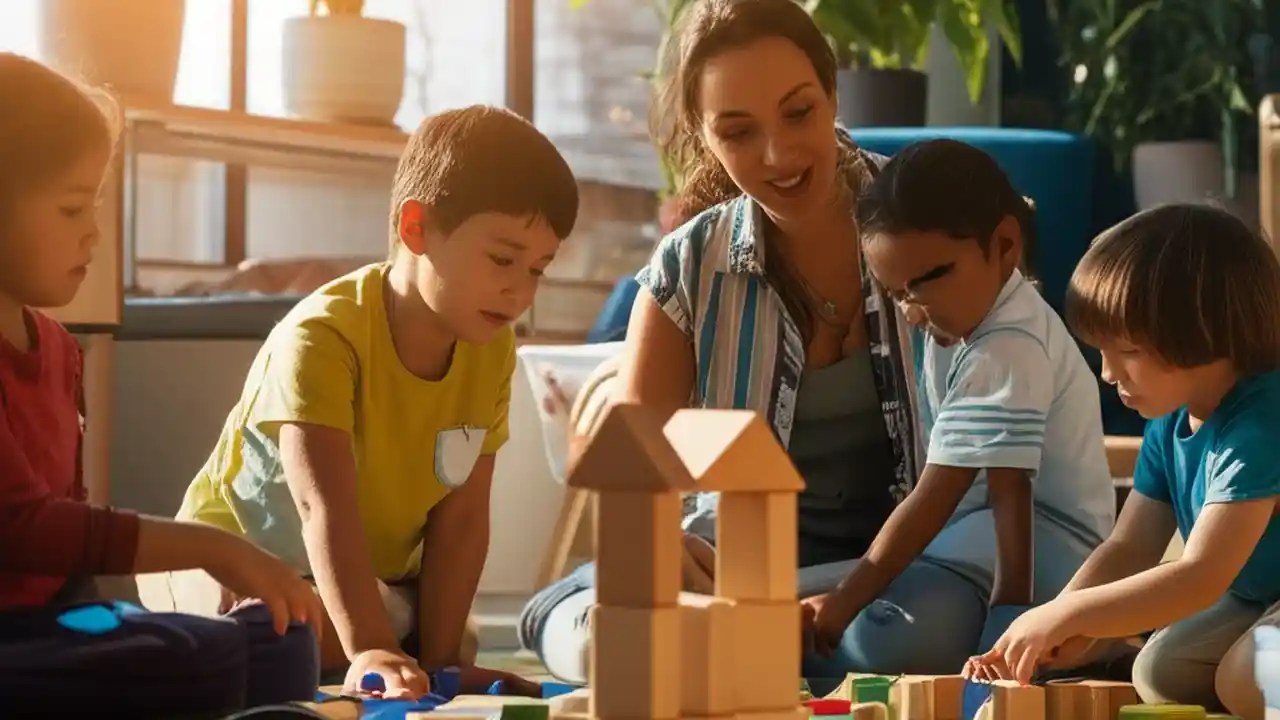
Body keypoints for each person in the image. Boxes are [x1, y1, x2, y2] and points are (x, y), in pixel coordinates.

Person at [523, 0, 988, 681]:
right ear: (704, 137)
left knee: (919, 638)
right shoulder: (688, 267)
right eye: (738, 132)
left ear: (833, 95)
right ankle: (737, 639)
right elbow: (638, 467)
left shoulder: (933, 221)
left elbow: (1014, 392)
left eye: (798, 113)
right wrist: (661, 550)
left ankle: (740, 645)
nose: (778, 154)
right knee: (592, 636)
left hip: (901, 571)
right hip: (731, 569)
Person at [166, 104, 579, 699]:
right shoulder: (323, 337)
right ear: (416, 228)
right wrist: (371, 648)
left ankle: (363, 642)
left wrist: (441, 663)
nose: (520, 290)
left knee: (453, 640)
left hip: (355, 579)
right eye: (502, 259)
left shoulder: (491, 348)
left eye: (538, 269)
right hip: (238, 562)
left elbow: (462, 519)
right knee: (295, 629)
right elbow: (321, 507)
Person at [0, 52, 321, 714]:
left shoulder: (59, 350)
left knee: (281, 638)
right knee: (189, 661)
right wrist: (207, 546)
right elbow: (23, 528)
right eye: (71, 209)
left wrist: (109, 623)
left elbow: (71, 554)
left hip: (48, 629)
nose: (93, 233)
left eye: (95, 206)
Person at [966, 204, 1280, 719]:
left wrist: (1073, 614)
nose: (1109, 373)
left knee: (1246, 678)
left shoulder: (1260, 425)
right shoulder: (1171, 419)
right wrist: (1060, 624)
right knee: (1160, 672)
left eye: (1128, 350)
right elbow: (1131, 545)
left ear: (1203, 331)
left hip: (1254, 597)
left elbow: (1201, 574)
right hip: (1259, 597)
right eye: (1102, 351)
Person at [816, 137, 1115, 660]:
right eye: (897, 293)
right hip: (974, 541)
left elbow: (962, 494)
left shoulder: (1008, 344)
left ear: (1004, 246)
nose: (912, 310)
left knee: (883, 639)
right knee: (829, 606)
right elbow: (999, 481)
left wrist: (1009, 610)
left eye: (929, 280)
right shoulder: (964, 324)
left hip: (1053, 548)